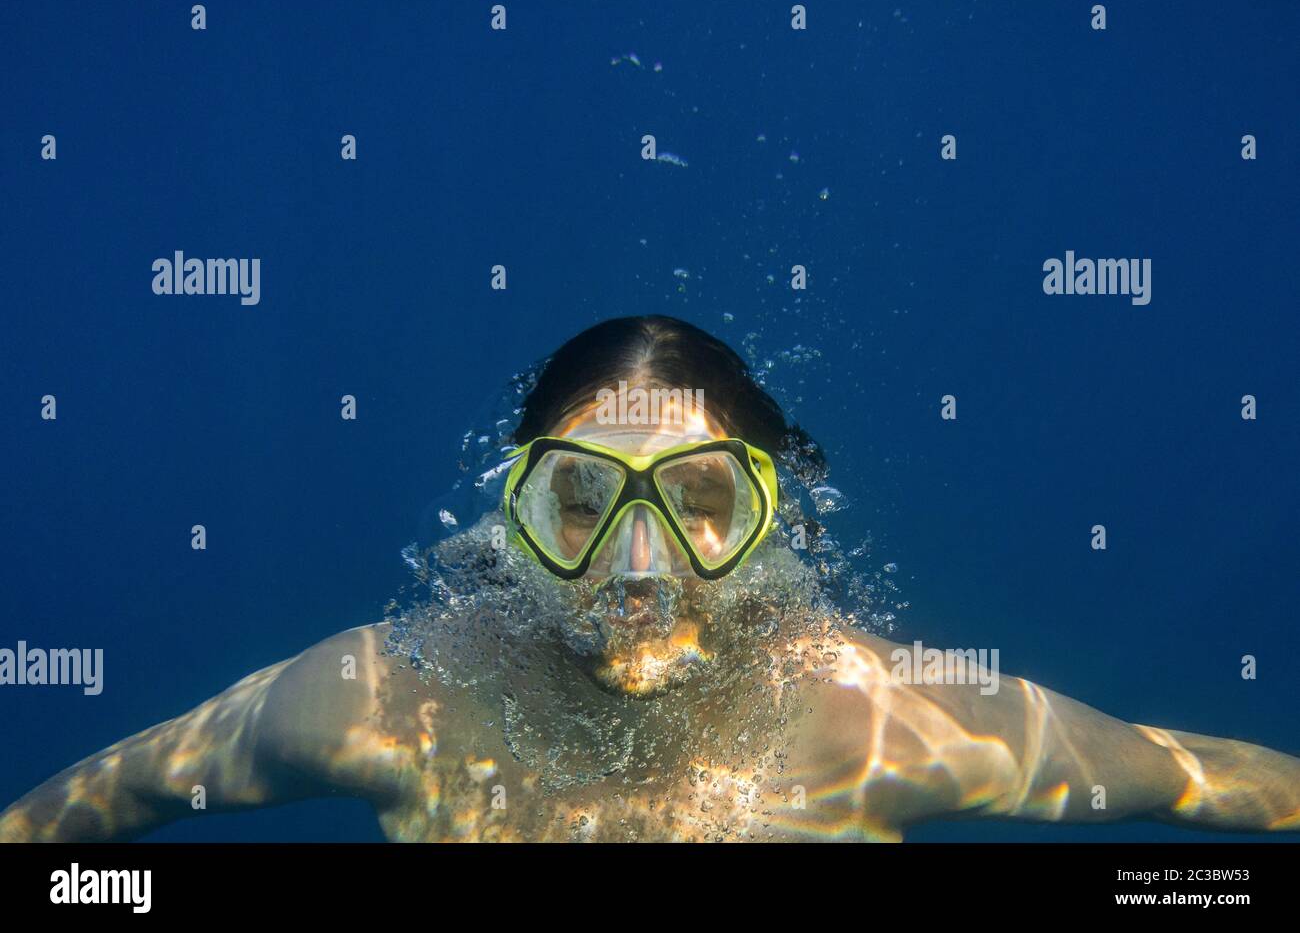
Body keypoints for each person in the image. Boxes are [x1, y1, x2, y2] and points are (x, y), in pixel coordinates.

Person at [3, 315, 1298, 842]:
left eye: (700, 508)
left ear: (767, 525)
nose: (638, 571)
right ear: (520, 524)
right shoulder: (382, 702)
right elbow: (90, 815)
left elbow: (1197, 783)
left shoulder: (892, 716)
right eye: (577, 504)